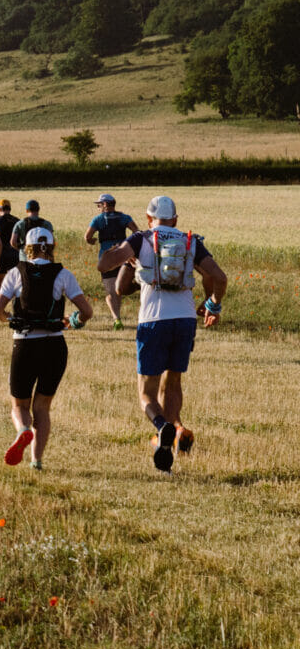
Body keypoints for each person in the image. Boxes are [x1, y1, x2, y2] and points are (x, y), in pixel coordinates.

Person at [96, 195, 228, 473]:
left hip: (153, 320)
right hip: (185, 320)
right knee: (173, 381)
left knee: (146, 393)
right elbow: (219, 277)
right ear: (175, 220)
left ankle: (162, 426)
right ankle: (171, 437)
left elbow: (104, 266)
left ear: (148, 219)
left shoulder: (141, 238)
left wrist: (121, 254)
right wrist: (212, 305)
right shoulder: (190, 241)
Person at [0, 227, 93, 470]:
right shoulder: (63, 274)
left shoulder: (16, 272)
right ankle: (36, 461)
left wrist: (9, 319)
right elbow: (87, 312)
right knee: (42, 407)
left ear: (28, 248)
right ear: (52, 247)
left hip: (25, 344)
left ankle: (23, 430)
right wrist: (74, 321)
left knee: (19, 405)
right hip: (54, 345)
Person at [85, 194, 140, 329]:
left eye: (99, 205)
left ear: (105, 205)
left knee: (111, 292)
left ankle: (117, 319)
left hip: (107, 259)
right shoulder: (124, 217)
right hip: (123, 256)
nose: (98, 208)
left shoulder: (98, 219)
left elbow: (87, 236)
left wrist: (92, 241)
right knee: (122, 288)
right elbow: (137, 232)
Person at [0, 199, 21, 295]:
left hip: (2, 255)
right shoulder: (17, 221)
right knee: (15, 282)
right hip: (15, 254)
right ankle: (15, 301)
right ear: (10, 209)